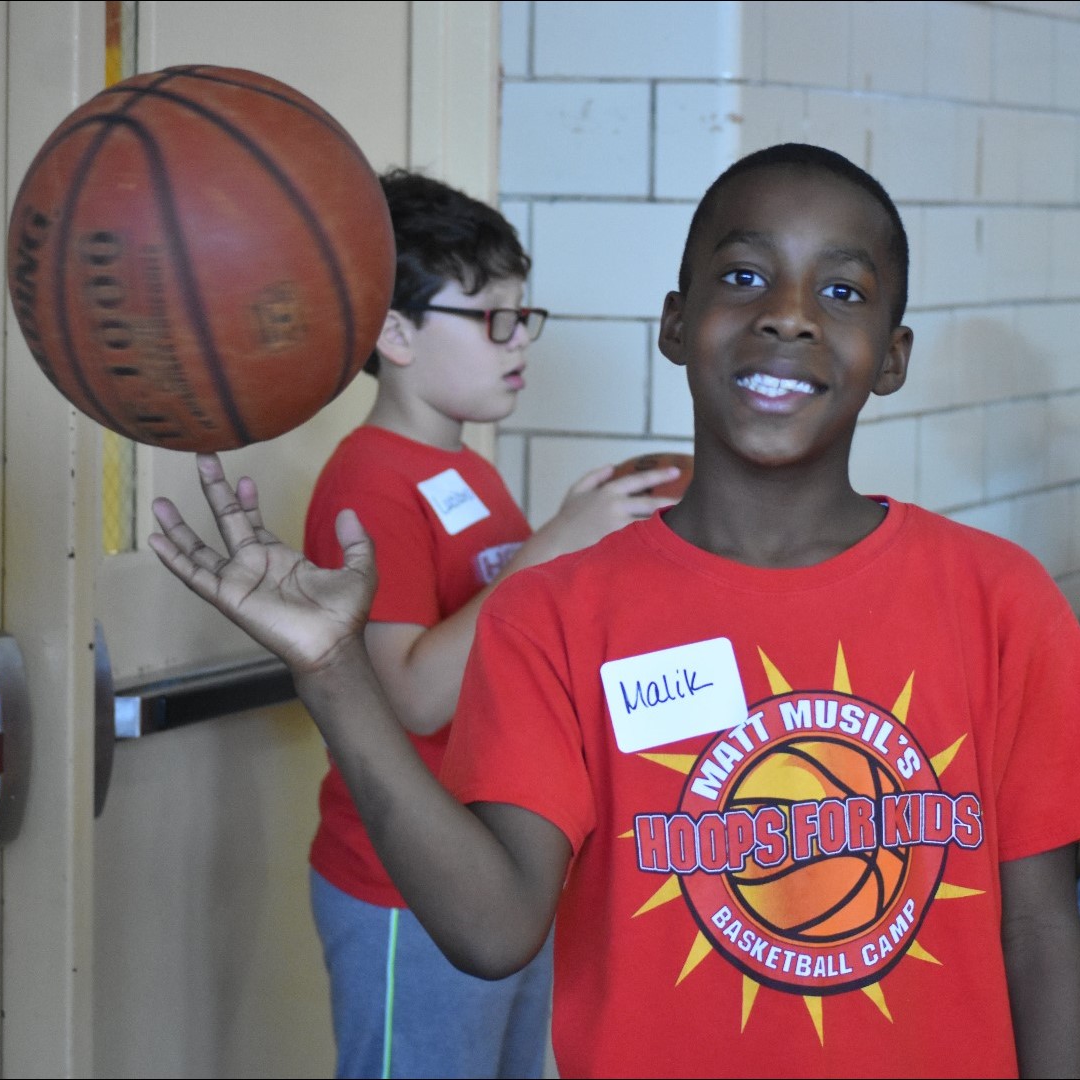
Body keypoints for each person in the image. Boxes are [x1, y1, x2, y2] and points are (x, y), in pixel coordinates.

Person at [148, 144, 1080, 1077]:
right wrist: (334, 676)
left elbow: (1040, 934)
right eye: (745, 275)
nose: (790, 315)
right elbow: (494, 933)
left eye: (841, 291)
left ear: (891, 357)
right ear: (675, 324)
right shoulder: (554, 613)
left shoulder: (999, 599)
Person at [297, 170, 680, 1078]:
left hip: (502, 870)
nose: (518, 342)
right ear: (395, 333)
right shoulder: (368, 482)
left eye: (522, 315)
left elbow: (503, 643)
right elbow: (412, 693)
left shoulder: (468, 470)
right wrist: (555, 543)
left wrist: (594, 556)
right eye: (491, 318)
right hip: (407, 885)